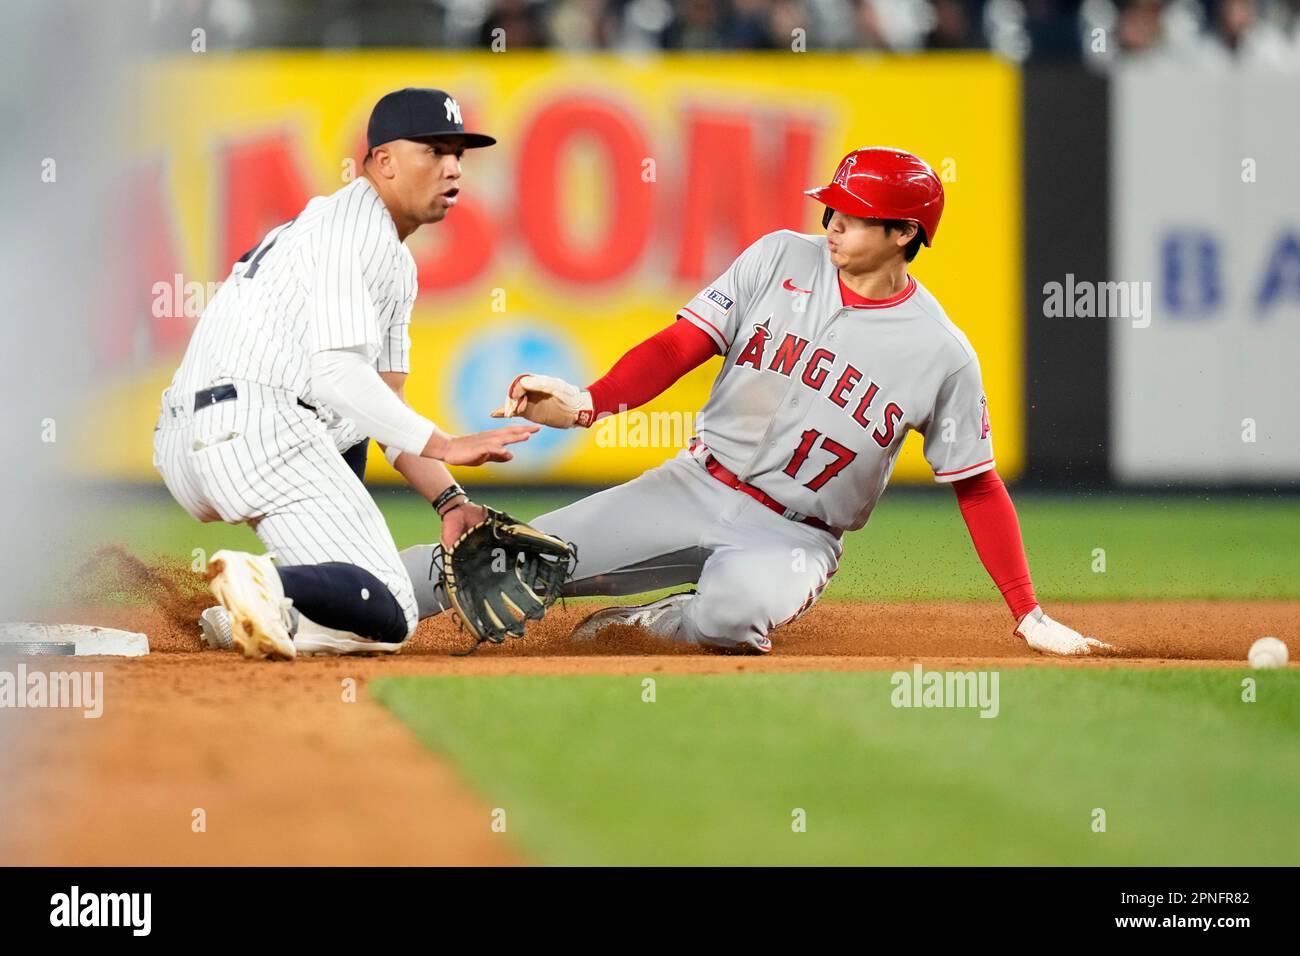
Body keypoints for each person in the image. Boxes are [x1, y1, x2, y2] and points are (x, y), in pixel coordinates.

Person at [400, 146, 1111, 657]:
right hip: (692, 484)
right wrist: (590, 401)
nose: (833, 222)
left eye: (856, 216)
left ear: (905, 234)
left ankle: (658, 623)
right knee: (504, 562)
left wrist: (1027, 612)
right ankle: (330, 598)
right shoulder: (780, 257)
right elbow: (680, 345)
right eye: (832, 207)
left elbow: (978, 485)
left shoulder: (940, 351)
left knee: (732, 619)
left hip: (796, 537)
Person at [155, 88, 537, 660]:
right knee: (392, 611)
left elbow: (383, 408)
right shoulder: (355, 228)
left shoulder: (371, 245)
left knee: (360, 626)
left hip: (195, 439)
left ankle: (273, 610)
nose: (453, 167)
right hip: (259, 429)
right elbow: (336, 375)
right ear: (383, 161)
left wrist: (451, 502)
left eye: (458, 153)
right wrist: (446, 443)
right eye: (434, 150)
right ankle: (268, 584)